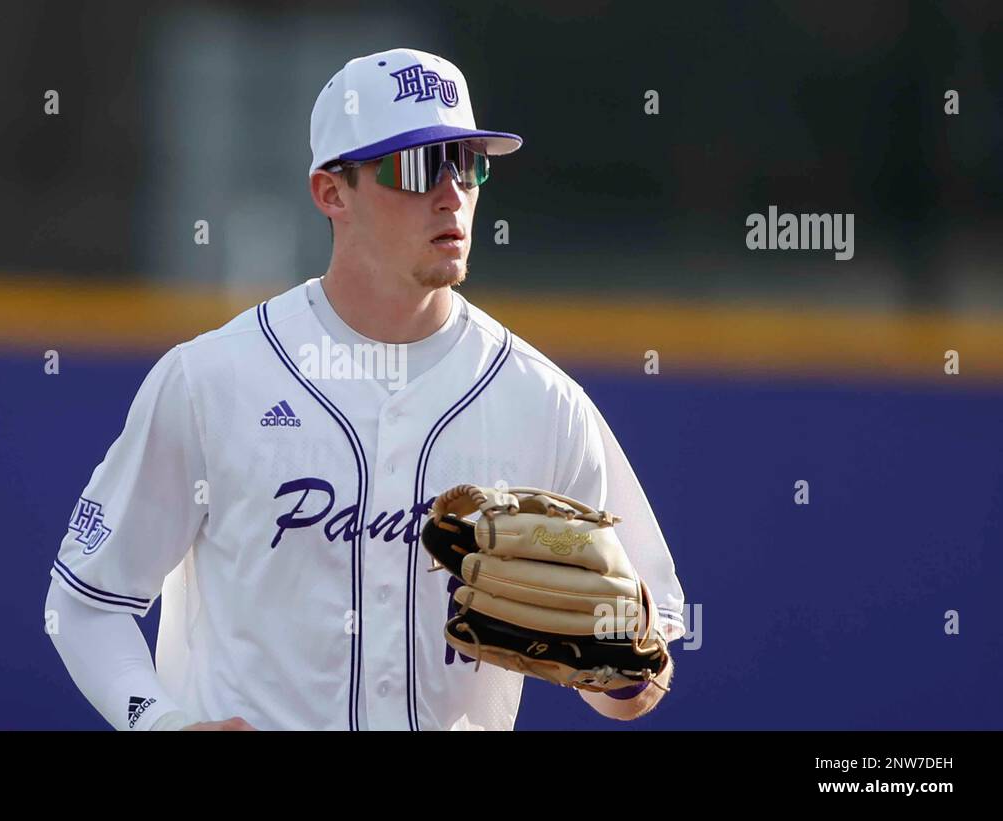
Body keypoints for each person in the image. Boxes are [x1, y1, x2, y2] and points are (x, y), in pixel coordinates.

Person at [45, 47, 685, 731]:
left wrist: (622, 664)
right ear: (330, 191)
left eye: (467, 163)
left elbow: (642, 665)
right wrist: (158, 721)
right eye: (414, 166)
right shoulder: (213, 380)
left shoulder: (543, 403)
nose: (451, 193)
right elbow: (86, 601)